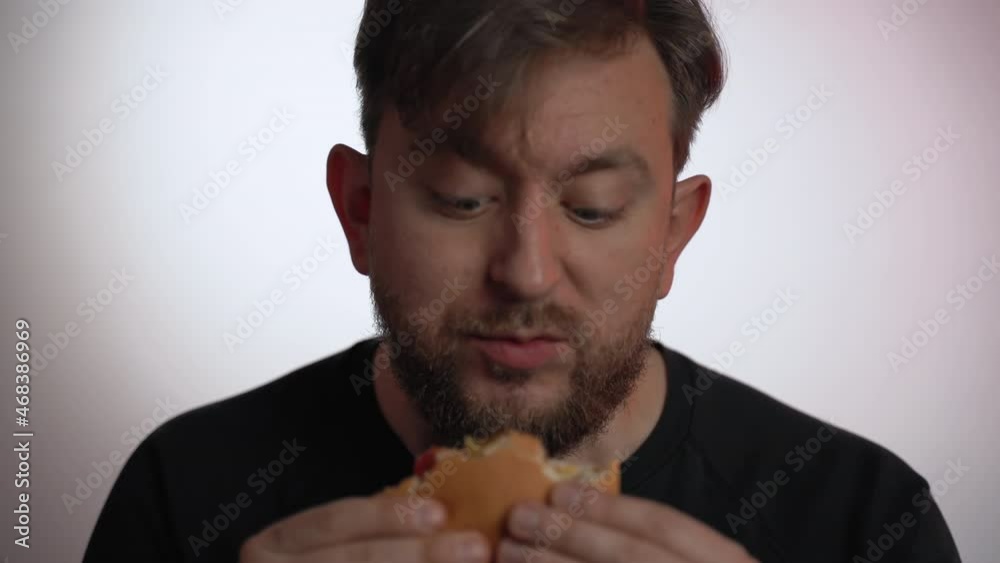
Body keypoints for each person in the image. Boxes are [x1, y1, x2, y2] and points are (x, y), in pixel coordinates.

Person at [83, 1, 963, 561]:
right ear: (360, 210)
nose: (526, 272)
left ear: (673, 234)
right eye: (462, 200)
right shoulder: (187, 495)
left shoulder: (861, 519)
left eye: (592, 207)